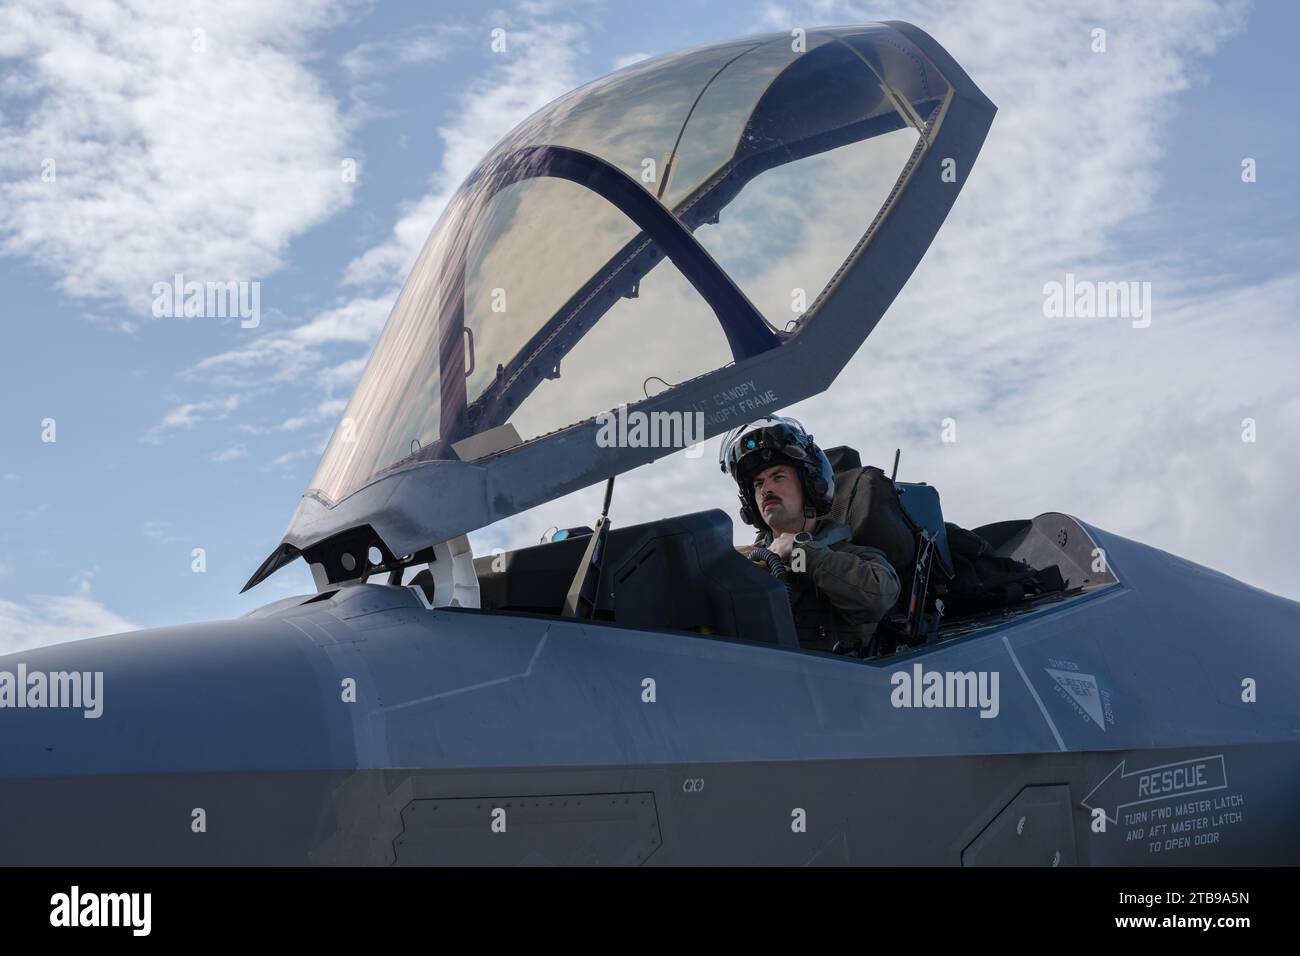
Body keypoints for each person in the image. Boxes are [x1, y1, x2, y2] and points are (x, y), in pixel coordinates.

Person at [719, 416, 900, 653]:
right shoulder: (746, 562)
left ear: (811, 485)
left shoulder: (850, 555)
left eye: (778, 477)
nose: (766, 489)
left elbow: (879, 596)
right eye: (758, 483)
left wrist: (800, 552)